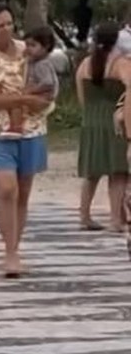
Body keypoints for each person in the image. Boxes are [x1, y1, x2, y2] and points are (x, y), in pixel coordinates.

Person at [0, 2, 52, 278]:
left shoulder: (27, 51)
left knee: (23, 193)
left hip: (32, 129)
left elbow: (47, 81)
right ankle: (9, 252)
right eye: (0, 25)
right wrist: (24, 98)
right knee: (7, 189)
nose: (7, 29)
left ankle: (16, 246)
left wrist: (20, 97)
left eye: (9, 23)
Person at [76, 22, 131, 232]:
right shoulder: (120, 63)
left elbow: (82, 97)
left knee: (92, 173)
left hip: (90, 122)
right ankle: (115, 219)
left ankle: (84, 216)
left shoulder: (85, 64)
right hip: (114, 122)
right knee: (118, 172)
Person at [3, 27, 59, 138]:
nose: (28, 49)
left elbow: (48, 83)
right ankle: (17, 125)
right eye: (27, 45)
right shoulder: (33, 62)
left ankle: (16, 127)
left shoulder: (43, 64)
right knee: (15, 99)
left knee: (17, 101)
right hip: (39, 96)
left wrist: (30, 90)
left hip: (44, 97)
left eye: (33, 45)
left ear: (46, 47)